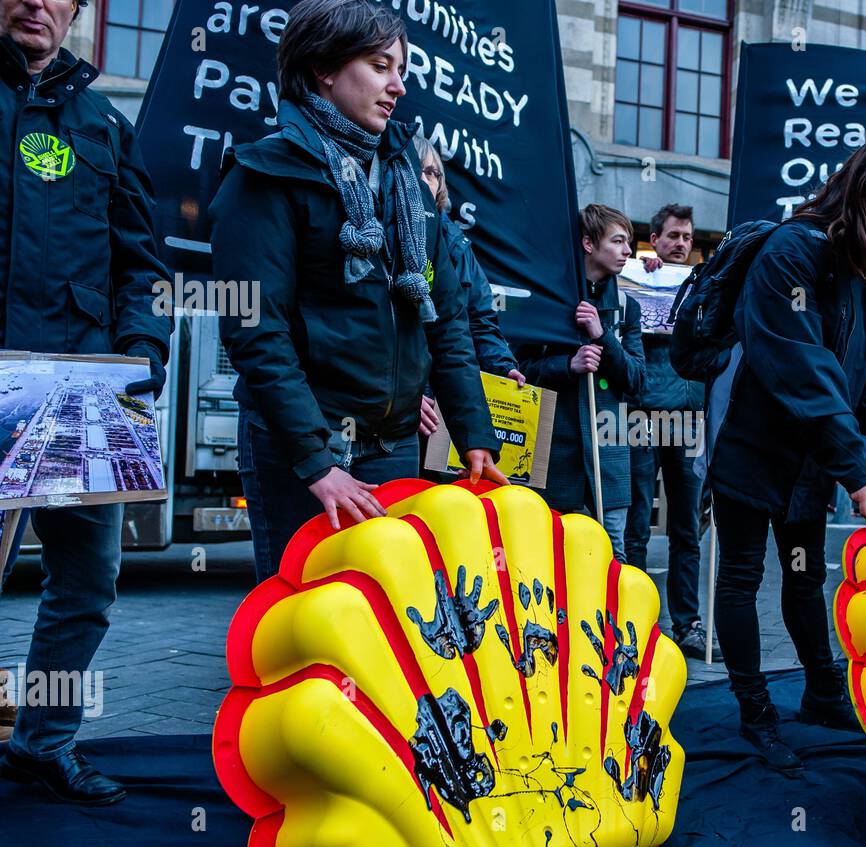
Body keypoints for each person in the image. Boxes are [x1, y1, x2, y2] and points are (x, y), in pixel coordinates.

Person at [210, 0, 504, 583]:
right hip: (303, 449)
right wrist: (318, 465)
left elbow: (445, 324)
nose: (397, 86)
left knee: (392, 620)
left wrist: (473, 435)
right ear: (324, 68)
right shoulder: (264, 177)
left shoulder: (408, 182)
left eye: (401, 69)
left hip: (394, 445)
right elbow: (256, 334)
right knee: (309, 624)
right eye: (379, 65)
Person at [706, 129, 866, 776]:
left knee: (806, 576)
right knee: (742, 577)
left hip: (815, 459)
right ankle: (755, 712)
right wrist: (857, 462)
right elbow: (802, 368)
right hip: (751, 448)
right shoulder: (792, 250)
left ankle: (822, 691)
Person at [0, 0, 172, 804]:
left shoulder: (103, 124)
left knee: (87, 581)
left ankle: (43, 742)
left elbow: (141, 262)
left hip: (79, 397)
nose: (38, 2)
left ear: (75, 11)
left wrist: (142, 350)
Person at [515, 204, 646, 561]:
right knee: (549, 557)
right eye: (618, 241)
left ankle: (611, 621)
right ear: (588, 244)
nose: (627, 251)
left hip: (609, 457)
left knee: (611, 559)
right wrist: (567, 365)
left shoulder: (625, 306)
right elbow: (517, 369)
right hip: (555, 456)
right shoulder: (547, 300)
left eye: (628, 242)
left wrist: (603, 338)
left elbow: (637, 381)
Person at [623, 204, 714, 659]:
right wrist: (642, 270)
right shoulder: (637, 275)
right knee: (637, 523)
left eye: (687, 237)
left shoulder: (701, 284)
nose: (681, 244)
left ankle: (688, 623)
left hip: (689, 420)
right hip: (642, 415)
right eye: (673, 236)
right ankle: (633, 620)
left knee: (686, 528)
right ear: (654, 240)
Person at [411, 135, 523, 444]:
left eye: (432, 172)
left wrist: (502, 367)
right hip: (392, 405)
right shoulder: (379, 230)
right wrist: (400, 391)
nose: (425, 179)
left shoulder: (458, 248)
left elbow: (477, 320)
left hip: (447, 404)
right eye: (417, 169)